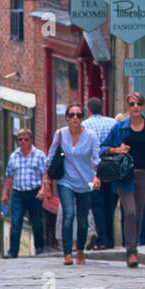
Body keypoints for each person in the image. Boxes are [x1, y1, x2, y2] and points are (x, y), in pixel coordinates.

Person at [100, 91, 145, 268]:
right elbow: (103, 149)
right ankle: (131, 251)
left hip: (143, 175)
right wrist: (117, 150)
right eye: (131, 104)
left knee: (138, 214)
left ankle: (133, 247)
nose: (135, 107)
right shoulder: (120, 128)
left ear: (143, 106)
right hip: (124, 177)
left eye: (138, 104)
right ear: (128, 108)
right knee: (129, 211)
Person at [43, 102, 100, 265]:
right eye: (72, 115)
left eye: (79, 115)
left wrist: (97, 177)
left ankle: (80, 251)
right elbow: (51, 156)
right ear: (67, 118)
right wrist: (46, 179)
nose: (75, 118)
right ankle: (67, 253)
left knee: (82, 221)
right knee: (68, 214)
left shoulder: (91, 136)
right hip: (65, 181)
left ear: (82, 118)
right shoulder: (60, 134)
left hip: (85, 183)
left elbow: (97, 160)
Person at [0, 129, 48, 258]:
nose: (23, 142)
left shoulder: (39, 155)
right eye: (20, 139)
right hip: (18, 194)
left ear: (31, 140)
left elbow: (45, 174)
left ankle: (39, 248)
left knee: (36, 222)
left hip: (34, 193)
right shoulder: (14, 156)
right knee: (16, 222)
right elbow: (9, 177)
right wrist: (4, 193)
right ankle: (13, 251)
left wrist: (44, 189)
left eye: (26, 139)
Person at [80, 97, 116, 250]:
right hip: (111, 169)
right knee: (110, 205)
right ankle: (110, 239)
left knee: (97, 205)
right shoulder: (113, 123)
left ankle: (102, 240)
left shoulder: (85, 126)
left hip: (94, 170)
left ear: (88, 110)